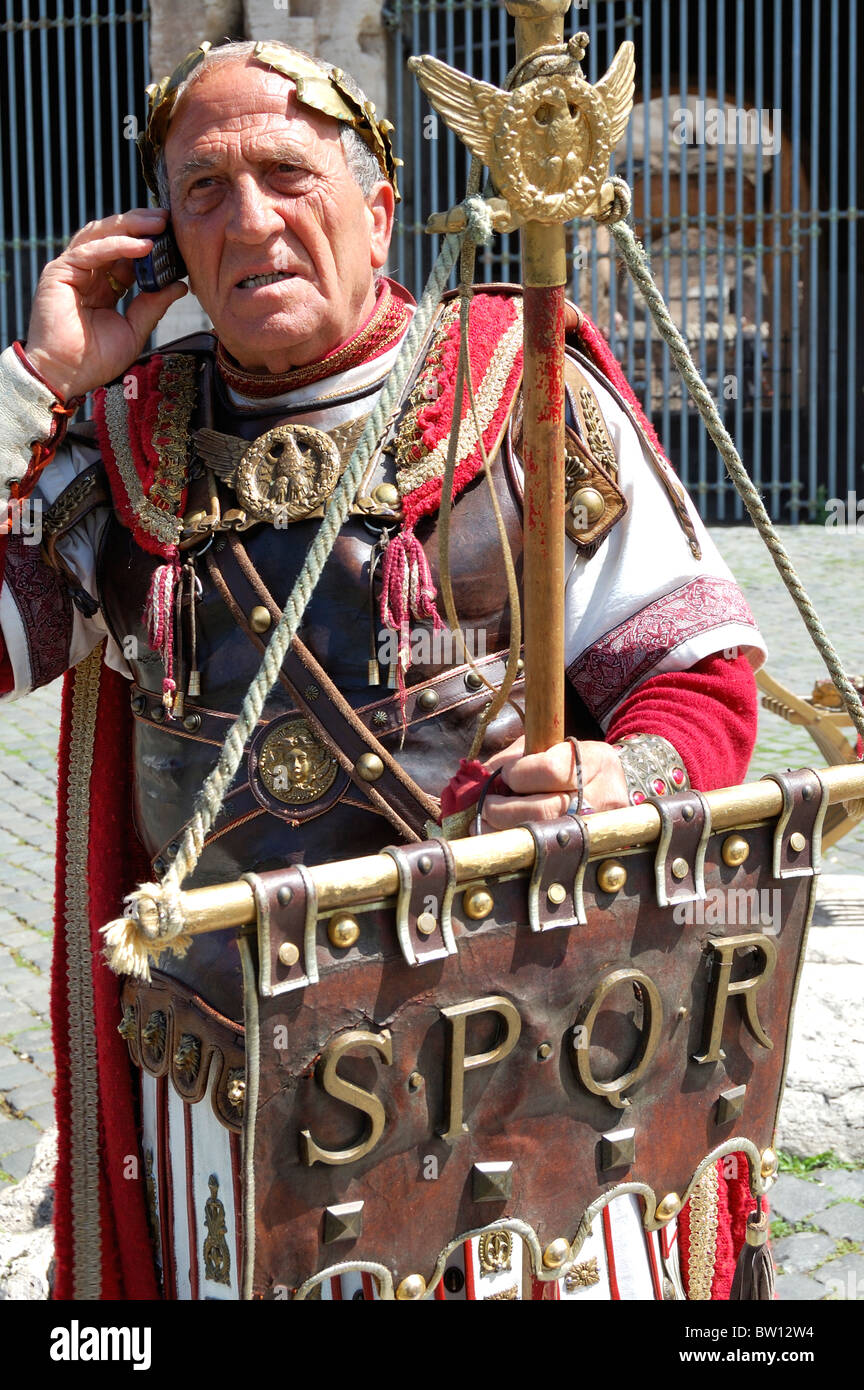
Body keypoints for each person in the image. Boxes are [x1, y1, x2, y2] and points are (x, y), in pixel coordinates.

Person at [0, 39, 766, 1301]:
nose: (251, 221)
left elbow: (701, 678)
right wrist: (35, 387)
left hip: (506, 1059)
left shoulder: (520, 392)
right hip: (224, 1082)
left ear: (379, 209)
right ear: (164, 244)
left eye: (289, 174)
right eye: (203, 190)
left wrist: (618, 779)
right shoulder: (129, 440)